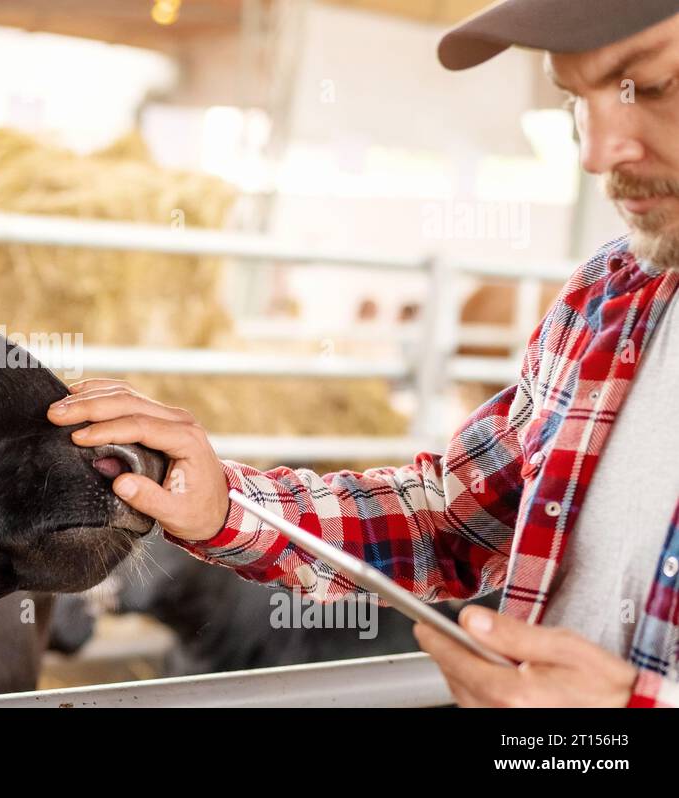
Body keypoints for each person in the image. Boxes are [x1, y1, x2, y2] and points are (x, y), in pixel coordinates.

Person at [49, 0, 679, 708]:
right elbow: (450, 522)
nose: (597, 152)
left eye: (652, 86)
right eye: (574, 101)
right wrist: (231, 504)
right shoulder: (613, 298)